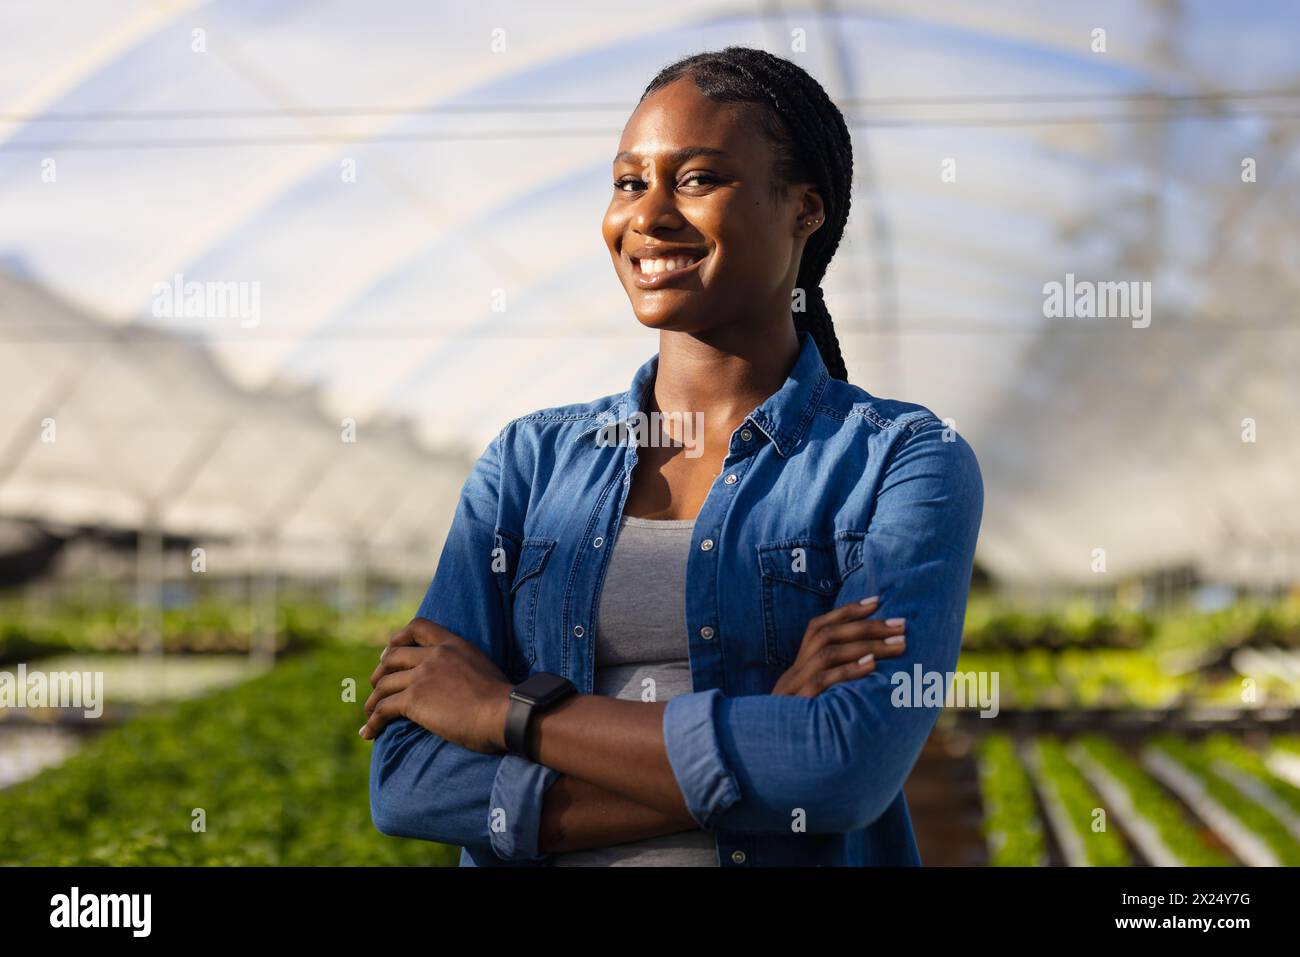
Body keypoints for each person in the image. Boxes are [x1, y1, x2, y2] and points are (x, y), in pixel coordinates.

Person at [362, 45, 983, 867]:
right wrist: (758, 727)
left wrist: (514, 715)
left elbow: (841, 769)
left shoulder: (900, 462)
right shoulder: (528, 463)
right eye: (628, 182)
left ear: (805, 210)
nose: (647, 215)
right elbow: (408, 782)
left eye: (696, 179)